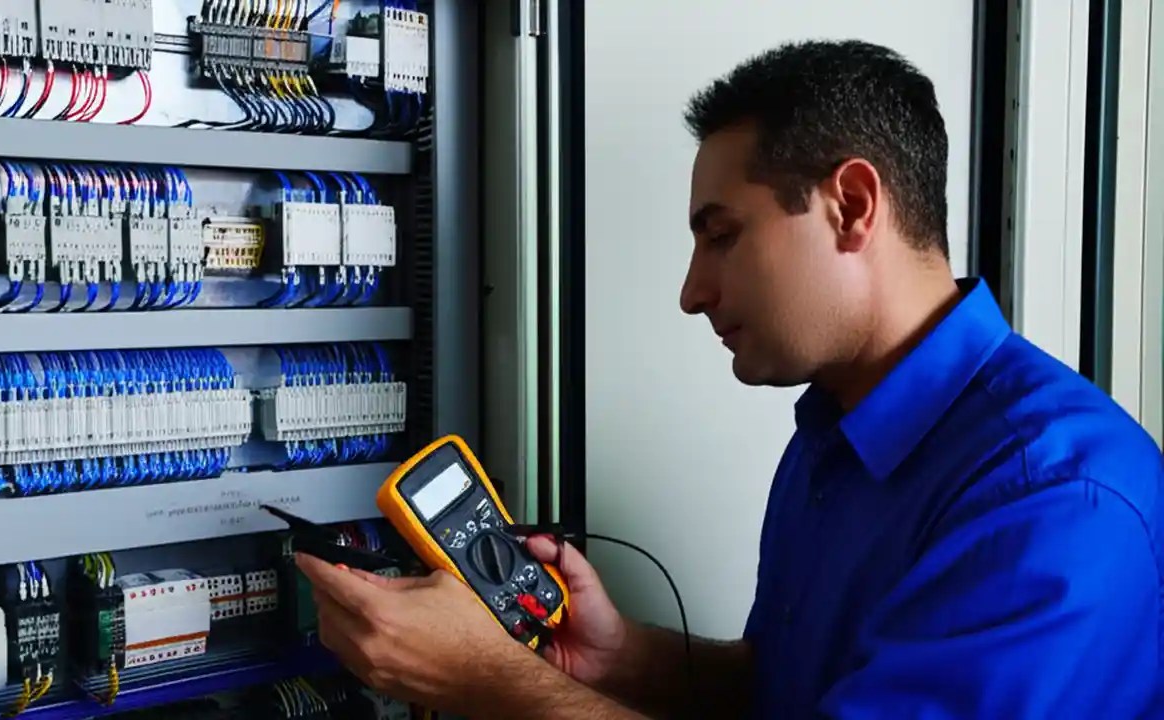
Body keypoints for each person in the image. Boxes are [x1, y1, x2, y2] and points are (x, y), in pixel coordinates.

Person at [296, 39, 1164, 719]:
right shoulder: (835, 433)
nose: (691, 291)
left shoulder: (1053, 498)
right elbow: (784, 688)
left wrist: (488, 682)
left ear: (852, 207)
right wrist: (628, 659)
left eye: (722, 235)